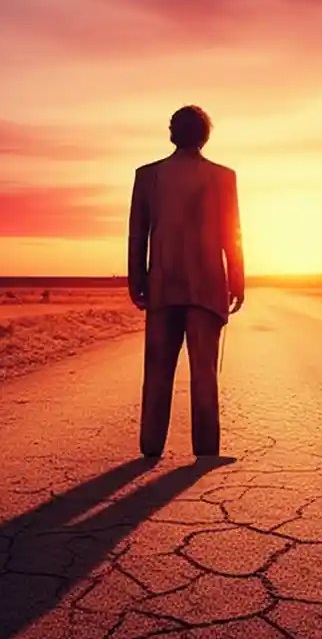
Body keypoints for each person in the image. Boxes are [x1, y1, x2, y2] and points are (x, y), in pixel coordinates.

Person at [128, 105, 244, 458]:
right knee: (204, 372)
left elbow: (137, 235)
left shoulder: (148, 176)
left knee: (158, 371)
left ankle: (151, 446)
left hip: (163, 285)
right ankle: (206, 450)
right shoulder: (223, 177)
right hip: (207, 288)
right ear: (205, 135)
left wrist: (137, 282)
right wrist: (237, 281)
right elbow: (232, 234)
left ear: (172, 133)